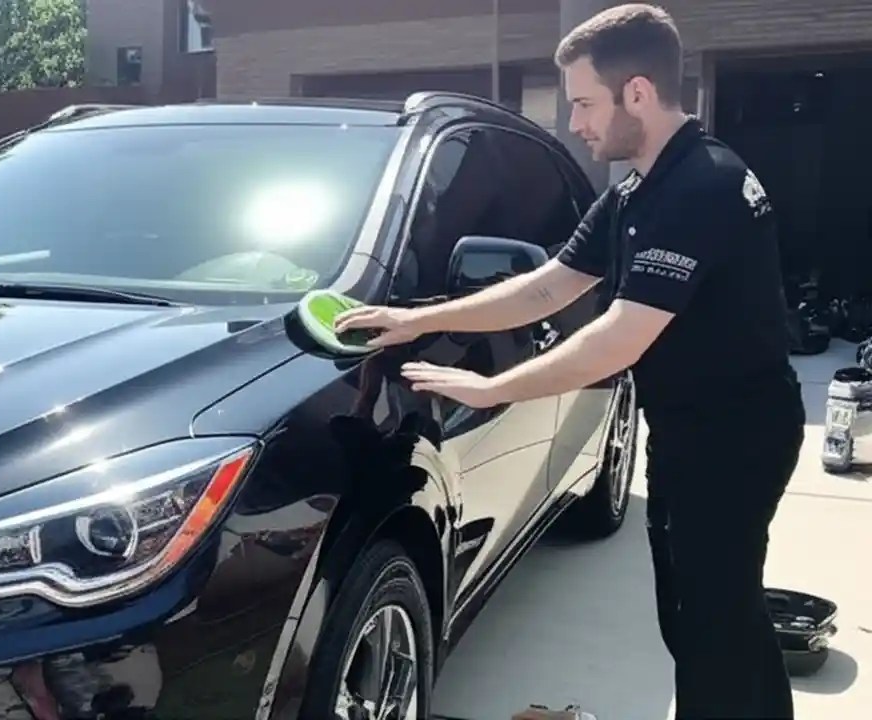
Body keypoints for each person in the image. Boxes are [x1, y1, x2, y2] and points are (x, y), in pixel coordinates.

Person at [336, 4, 803, 719]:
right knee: (702, 620)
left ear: (637, 93)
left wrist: (494, 388)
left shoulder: (701, 185)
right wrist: (415, 318)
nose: (575, 122)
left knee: (716, 630)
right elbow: (550, 285)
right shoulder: (639, 189)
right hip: (690, 429)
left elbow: (619, 336)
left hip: (736, 438)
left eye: (584, 103)